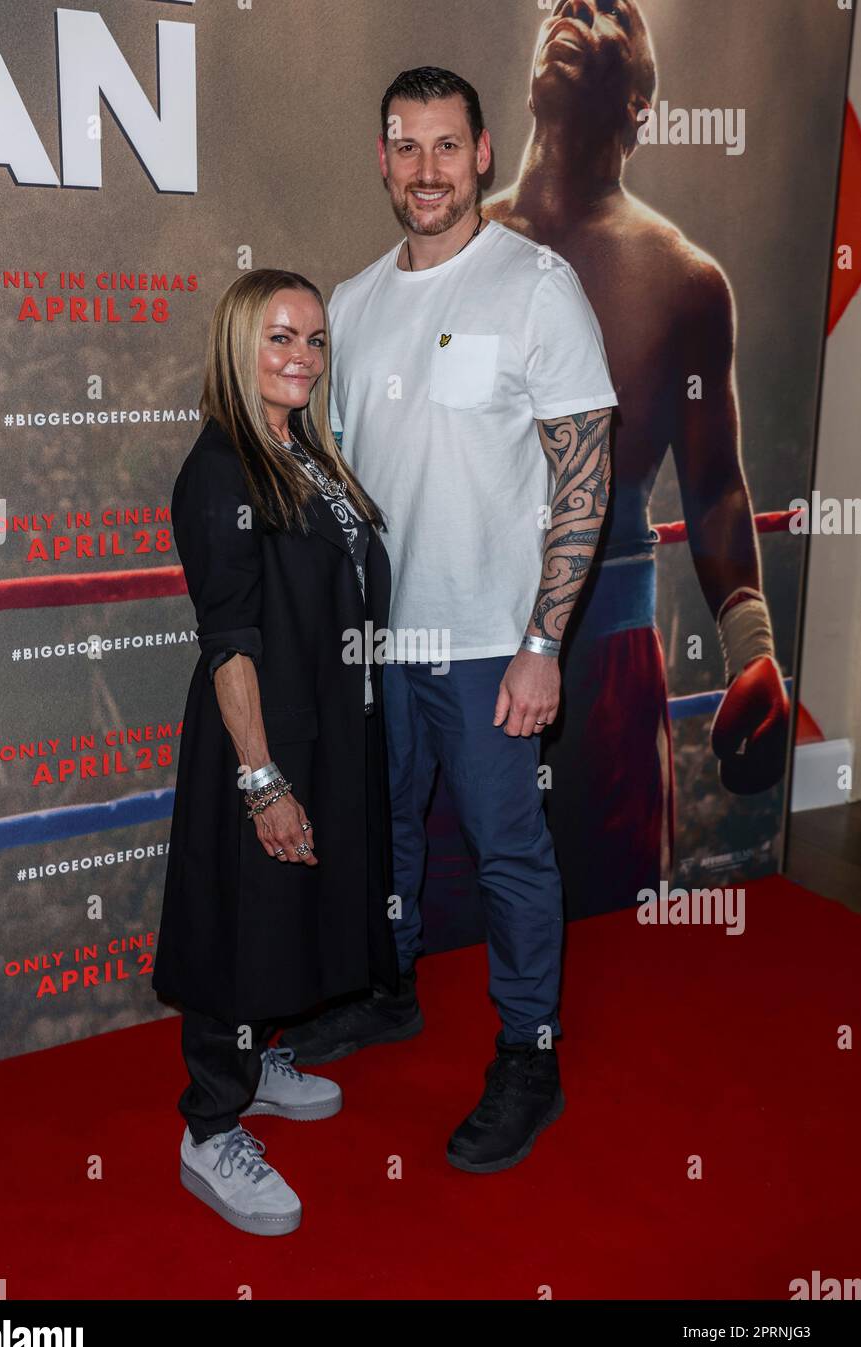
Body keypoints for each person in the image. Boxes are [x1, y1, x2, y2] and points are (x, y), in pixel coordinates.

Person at [280, 68, 617, 1174]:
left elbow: (583, 476)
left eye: (444, 146)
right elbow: (332, 476)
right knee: (381, 833)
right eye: (403, 147)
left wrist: (539, 643)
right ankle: (389, 991)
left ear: (481, 153)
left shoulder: (535, 286)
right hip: (381, 641)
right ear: (381, 160)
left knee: (507, 851)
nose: (424, 169)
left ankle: (530, 1053)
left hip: (487, 645)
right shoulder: (355, 300)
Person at [482, 0, 790, 918]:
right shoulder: (449, 253)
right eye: (562, 5)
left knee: (615, 938)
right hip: (458, 639)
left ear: (640, 105)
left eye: (608, 8)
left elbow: (714, 484)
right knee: (447, 930)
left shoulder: (683, 279)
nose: (573, 9)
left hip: (608, 655)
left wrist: (751, 648)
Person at [153, 268, 398, 1234]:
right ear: (238, 348)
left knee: (287, 911)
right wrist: (261, 781)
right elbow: (232, 640)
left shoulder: (304, 452)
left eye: (315, 341)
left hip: (323, 726)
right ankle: (209, 1128)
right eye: (279, 339)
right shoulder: (222, 470)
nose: (301, 357)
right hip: (255, 738)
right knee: (240, 919)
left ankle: (255, 1065)